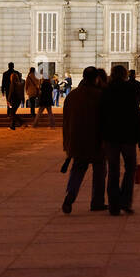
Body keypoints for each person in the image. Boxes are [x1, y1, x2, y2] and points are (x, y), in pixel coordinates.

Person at [100, 64, 140, 215]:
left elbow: (100, 116)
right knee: (130, 169)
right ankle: (125, 201)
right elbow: (136, 115)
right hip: (128, 136)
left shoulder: (105, 91)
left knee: (113, 170)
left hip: (111, 137)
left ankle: (113, 205)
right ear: (126, 75)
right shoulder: (130, 89)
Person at [61, 66, 107, 213]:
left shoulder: (72, 96)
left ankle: (70, 196)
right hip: (96, 141)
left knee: (77, 170)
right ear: (96, 79)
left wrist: (67, 142)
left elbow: (66, 121)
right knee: (99, 171)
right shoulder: (100, 96)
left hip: (77, 140)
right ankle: (97, 201)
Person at [1, 62, 24, 129]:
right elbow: (20, 81)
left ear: (8, 66)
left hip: (9, 90)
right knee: (12, 104)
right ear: (13, 66)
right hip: (15, 92)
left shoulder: (5, 74)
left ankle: (9, 114)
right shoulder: (16, 73)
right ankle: (11, 115)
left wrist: (2, 90)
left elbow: (3, 82)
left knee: (9, 102)